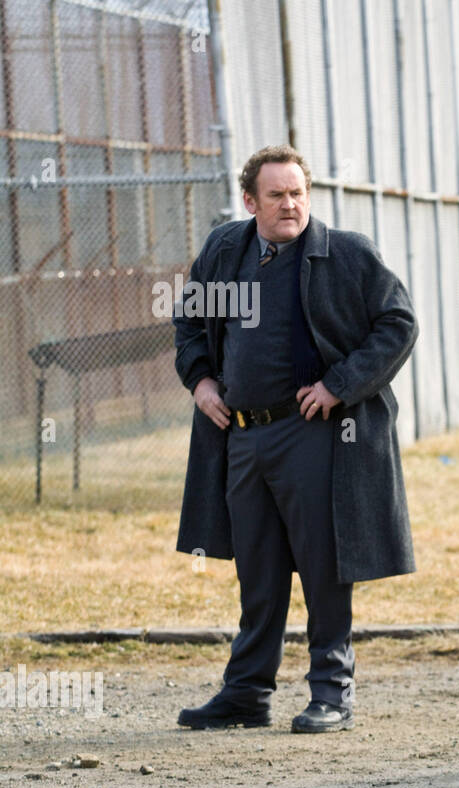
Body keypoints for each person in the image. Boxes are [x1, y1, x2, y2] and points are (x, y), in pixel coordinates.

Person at [173, 145, 418, 733]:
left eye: (298, 193)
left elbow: (398, 324)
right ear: (250, 200)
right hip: (240, 435)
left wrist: (339, 385)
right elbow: (188, 321)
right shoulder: (225, 249)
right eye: (277, 195)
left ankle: (331, 691)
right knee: (256, 569)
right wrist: (201, 379)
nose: (290, 205)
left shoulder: (345, 253)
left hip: (314, 432)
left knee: (323, 564)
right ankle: (247, 693)